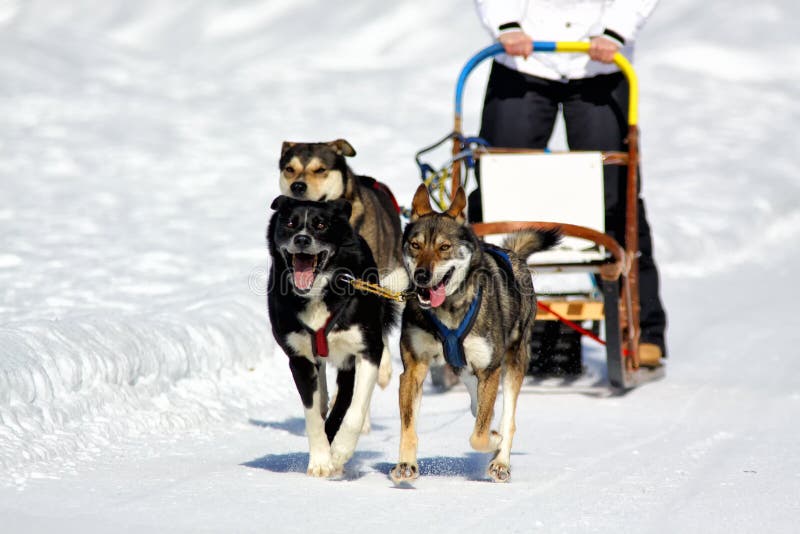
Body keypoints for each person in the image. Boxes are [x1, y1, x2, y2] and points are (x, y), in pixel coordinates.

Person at [470, 0, 667, 367]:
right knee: (495, 190)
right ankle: (468, 320)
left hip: (600, 61)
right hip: (521, 59)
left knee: (616, 195)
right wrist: (505, 22)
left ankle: (642, 326)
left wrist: (615, 30)